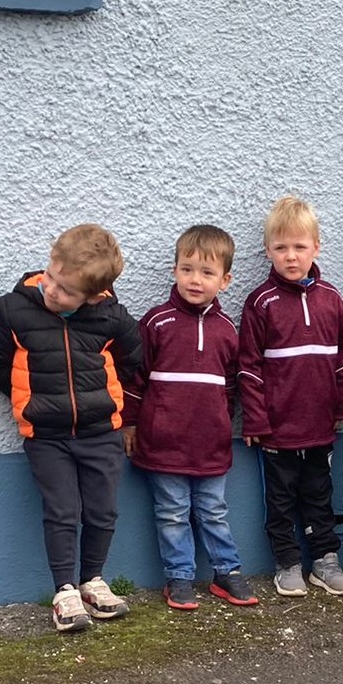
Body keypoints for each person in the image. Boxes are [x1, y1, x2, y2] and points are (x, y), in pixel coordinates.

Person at [0, 224, 143, 632]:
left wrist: (104, 401)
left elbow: (132, 359)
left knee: (103, 510)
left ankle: (93, 581)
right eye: (51, 278)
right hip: (47, 435)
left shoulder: (110, 316)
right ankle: (65, 591)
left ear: (93, 295)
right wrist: (31, 399)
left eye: (65, 290)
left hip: (101, 431)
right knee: (62, 511)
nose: (52, 291)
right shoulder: (12, 310)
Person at [121, 224, 260, 611]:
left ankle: (226, 571)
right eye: (187, 269)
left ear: (225, 280)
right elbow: (134, 379)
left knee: (214, 512)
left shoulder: (228, 331)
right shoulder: (155, 322)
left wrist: (230, 424)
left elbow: (232, 388)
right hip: (162, 443)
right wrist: (130, 423)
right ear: (174, 269)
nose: (195, 280)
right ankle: (179, 576)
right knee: (172, 514)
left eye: (206, 272)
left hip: (210, 445)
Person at [238, 196, 343, 597]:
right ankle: (287, 562)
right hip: (276, 430)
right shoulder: (260, 302)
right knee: (281, 501)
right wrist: (255, 419)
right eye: (281, 248)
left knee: (319, 496)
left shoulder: (332, 299)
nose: (291, 257)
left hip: (321, 425)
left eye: (299, 247)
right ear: (268, 251)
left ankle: (325, 561)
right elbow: (248, 366)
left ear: (316, 248)